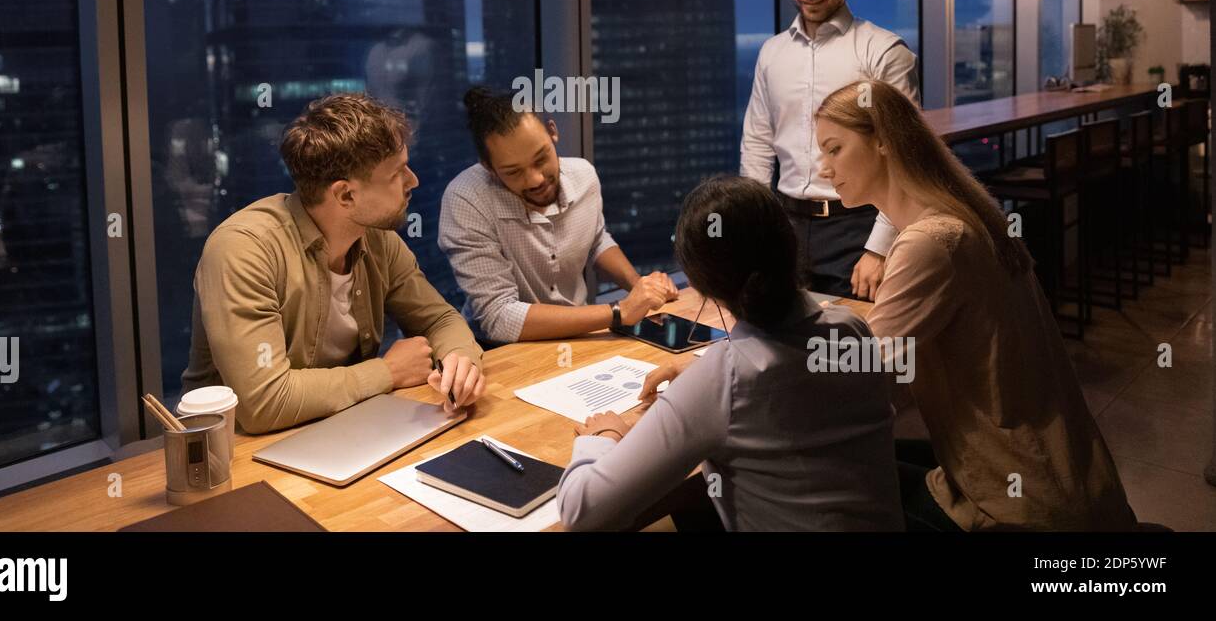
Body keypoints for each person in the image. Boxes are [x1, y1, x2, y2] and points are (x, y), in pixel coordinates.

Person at [814, 79, 1137, 531]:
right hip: (1069, 476)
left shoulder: (929, 242)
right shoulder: (960, 213)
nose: (824, 168)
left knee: (825, 490)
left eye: (834, 149)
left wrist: (759, 361)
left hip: (1021, 504)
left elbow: (862, 380)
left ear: (883, 141)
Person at [555, 175, 905, 531]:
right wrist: (702, 373)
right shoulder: (852, 330)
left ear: (697, 282)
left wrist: (603, 438)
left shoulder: (722, 381)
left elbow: (581, 512)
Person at [182, 93, 486, 435]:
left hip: (344, 427)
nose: (413, 180)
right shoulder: (244, 250)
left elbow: (439, 319)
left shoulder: (376, 238)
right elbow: (263, 402)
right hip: (234, 455)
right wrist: (387, 372)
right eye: (398, 172)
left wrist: (460, 361)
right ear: (345, 195)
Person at [740, 0, 919, 300]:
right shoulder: (771, 54)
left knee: (857, 355)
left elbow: (905, 155)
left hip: (858, 227)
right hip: (784, 228)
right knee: (785, 350)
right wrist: (758, 228)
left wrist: (880, 247)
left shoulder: (884, 52)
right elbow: (757, 143)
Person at [438, 86, 676, 343]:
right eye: (513, 172)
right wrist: (618, 312)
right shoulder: (466, 199)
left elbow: (596, 241)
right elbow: (498, 316)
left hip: (580, 335)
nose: (535, 180)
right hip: (501, 351)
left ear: (553, 132)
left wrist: (639, 286)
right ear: (489, 168)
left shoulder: (584, 175)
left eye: (541, 159)